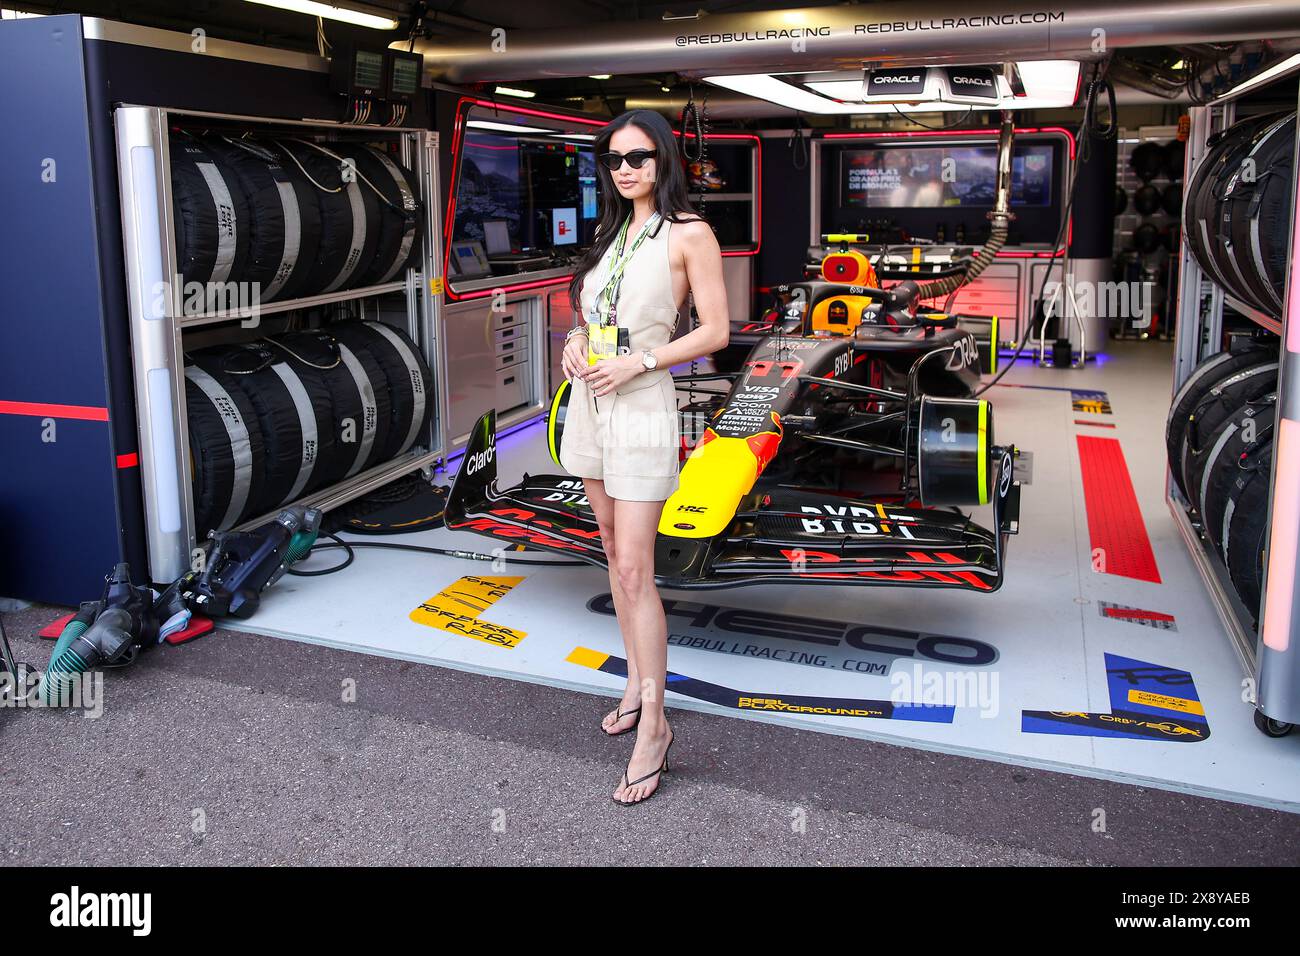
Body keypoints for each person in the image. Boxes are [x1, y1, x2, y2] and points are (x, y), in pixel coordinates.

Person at [559, 109, 729, 805]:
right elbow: (591, 317)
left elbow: (717, 330)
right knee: (608, 550)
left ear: (663, 160)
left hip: (641, 403)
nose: (625, 168)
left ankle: (654, 723)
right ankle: (635, 681)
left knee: (634, 567)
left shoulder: (689, 234)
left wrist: (641, 361)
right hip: (590, 402)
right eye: (614, 159)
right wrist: (574, 344)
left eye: (637, 156)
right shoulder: (610, 235)